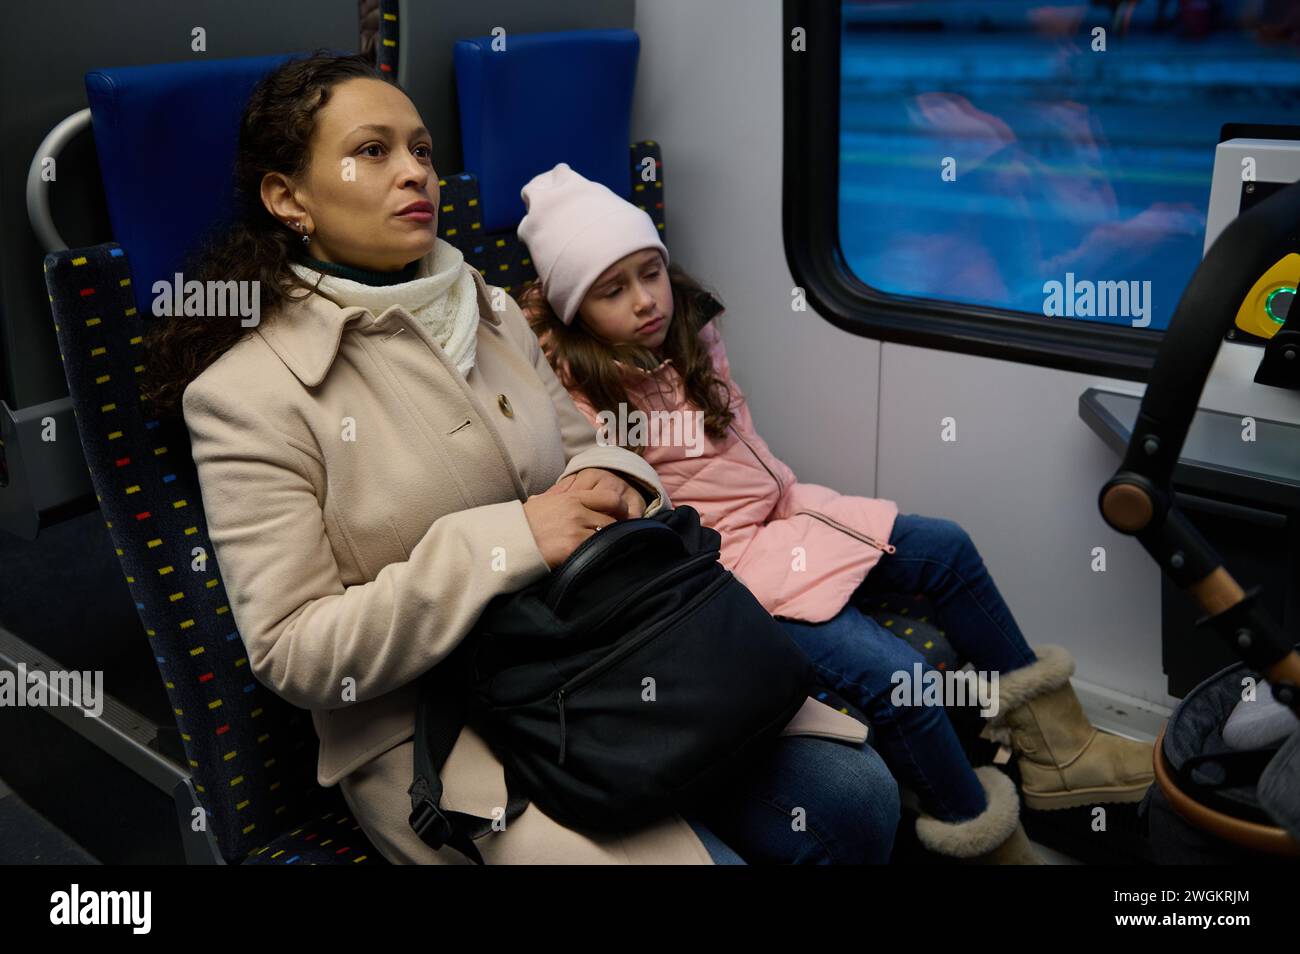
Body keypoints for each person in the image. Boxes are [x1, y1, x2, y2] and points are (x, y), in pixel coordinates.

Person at [146, 52, 900, 864]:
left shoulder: (491, 308)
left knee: (856, 797)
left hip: (598, 651)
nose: (416, 174)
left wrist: (615, 482)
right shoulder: (247, 395)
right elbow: (294, 651)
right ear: (288, 199)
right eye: (374, 151)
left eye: (424, 150)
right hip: (439, 729)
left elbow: (595, 452)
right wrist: (511, 541)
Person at [516, 162, 1157, 864]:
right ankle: (986, 840)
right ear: (575, 311)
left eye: (651, 272)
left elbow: (742, 457)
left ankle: (1061, 748)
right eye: (614, 290)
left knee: (946, 547)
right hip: (724, 576)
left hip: (787, 516)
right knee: (895, 679)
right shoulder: (579, 394)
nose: (646, 301)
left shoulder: (688, 337)